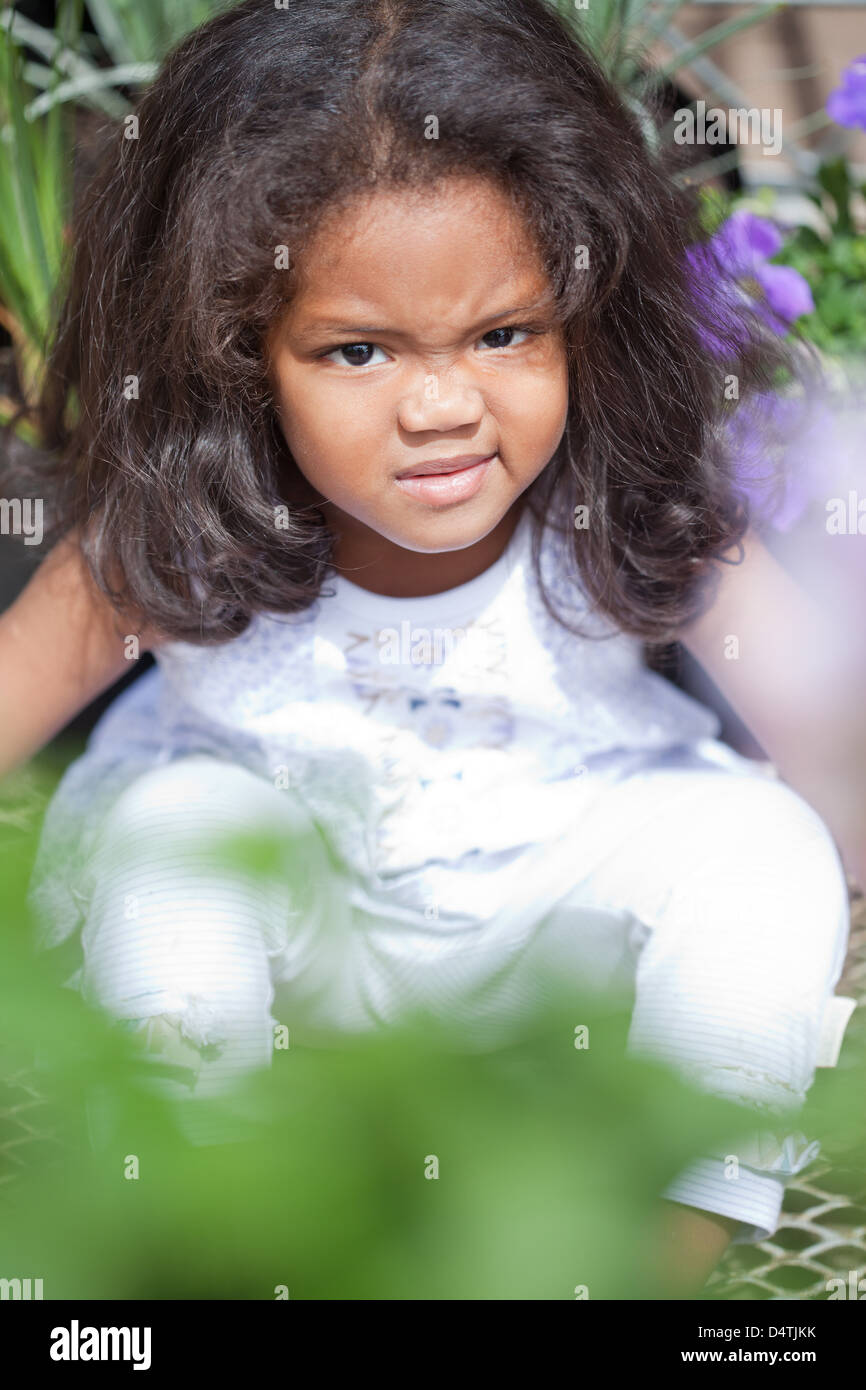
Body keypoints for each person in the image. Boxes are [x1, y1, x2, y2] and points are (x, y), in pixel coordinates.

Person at [0, 0, 861, 1297]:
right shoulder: (162, 541)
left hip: (565, 932)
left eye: (503, 333)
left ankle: (656, 1251)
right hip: (295, 944)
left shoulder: (631, 507)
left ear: (582, 308)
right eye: (356, 350)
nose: (443, 404)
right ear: (237, 353)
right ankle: (226, 1221)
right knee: (169, 838)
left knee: (767, 858)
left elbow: (834, 747)